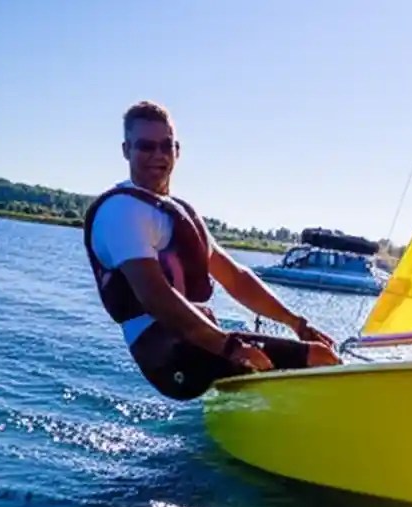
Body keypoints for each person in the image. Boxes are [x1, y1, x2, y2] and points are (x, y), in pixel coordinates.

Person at [83, 100, 342, 401]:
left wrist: (296, 323)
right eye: (146, 147)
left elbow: (235, 278)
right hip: (169, 355)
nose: (158, 155)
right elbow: (156, 298)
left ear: (177, 151)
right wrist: (230, 347)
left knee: (315, 355)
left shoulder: (176, 211)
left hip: (199, 344)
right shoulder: (122, 211)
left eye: (166, 146)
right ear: (126, 150)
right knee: (320, 359)